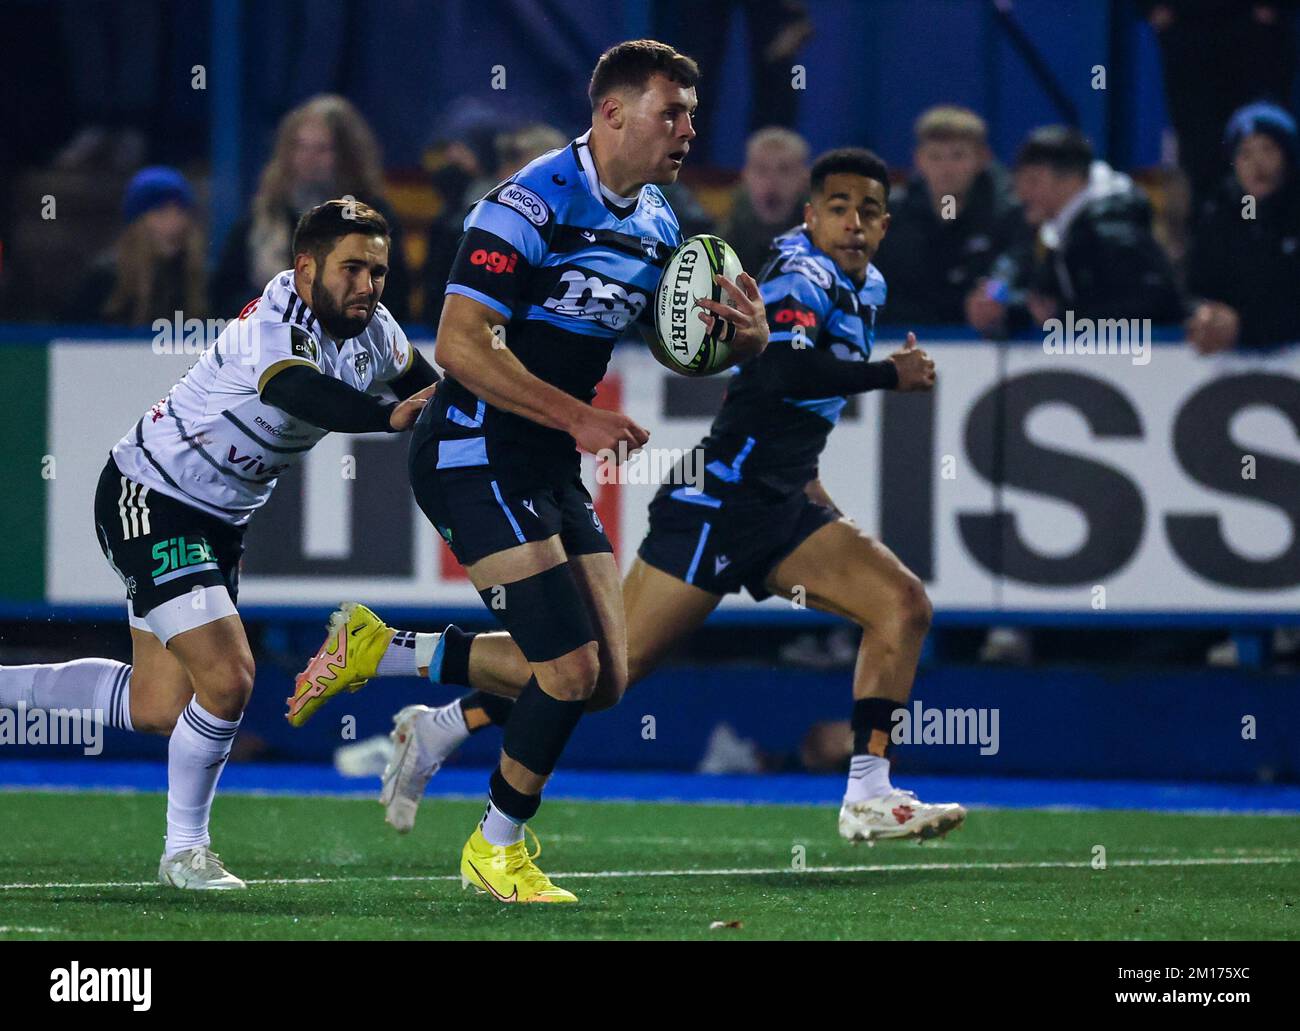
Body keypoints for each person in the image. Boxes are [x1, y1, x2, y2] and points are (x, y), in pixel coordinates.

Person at [294, 149, 966, 849]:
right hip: (720, 505)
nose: (854, 223)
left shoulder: (868, 286)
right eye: (838, 207)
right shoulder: (802, 272)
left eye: (869, 211)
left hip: (782, 502)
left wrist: (811, 482)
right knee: (601, 675)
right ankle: (415, 685)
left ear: (888, 224)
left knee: (902, 604)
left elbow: (793, 409)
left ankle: (867, 791)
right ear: (809, 215)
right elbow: (783, 372)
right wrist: (891, 373)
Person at [285, 40, 769, 905]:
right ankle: (494, 847)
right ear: (613, 113)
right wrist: (580, 415)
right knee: (569, 670)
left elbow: (684, 333)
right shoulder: (525, 204)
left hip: (542, 456)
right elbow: (460, 345)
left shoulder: (660, 221)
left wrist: (744, 340)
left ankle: (394, 661)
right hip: (472, 449)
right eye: (674, 110)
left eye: (693, 112)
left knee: (608, 679)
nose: (690, 128)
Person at [0, 200, 439, 889]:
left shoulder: (375, 329)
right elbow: (300, 391)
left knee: (160, 708)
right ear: (304, 268)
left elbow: (430, 389)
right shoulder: (275, 324)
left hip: (219, 520)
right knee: (230, 677)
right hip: (152, 494)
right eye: (352, 267)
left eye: (379, 270)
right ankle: (184, 852)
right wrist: (389, 415)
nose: (369, 284)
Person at [966, 125, 1183, 336]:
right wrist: (1004, 310)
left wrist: (1063, 318)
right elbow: (1050, 303)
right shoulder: (1065, 233)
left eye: (1033, 181)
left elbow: (1151, 304)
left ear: (1071, 180)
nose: (1021, 194)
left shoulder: (1110, 233)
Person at [212, 95, 411, 320]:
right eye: (301, 147)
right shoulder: (263, 216)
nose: (309, 158)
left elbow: (394, 296)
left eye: (322, 149)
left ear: (347, 156)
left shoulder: (372, 218)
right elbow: (225, 296)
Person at [873, 106, 1028, 327]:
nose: (946, 168)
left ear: (982, 158)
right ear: (918, 160)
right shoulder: (890, 217)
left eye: (958, 156)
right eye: (935, 157)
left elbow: (1015, 268)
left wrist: (997, 295)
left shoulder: (1008, 214)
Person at [1186, 101, 1300, 353]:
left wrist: (1244, 327)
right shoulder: (1219, 217)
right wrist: (1205, 315)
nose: (1257, 164)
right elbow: (1195, 288)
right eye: (1245, 153)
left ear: (1288, 155)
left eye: (1268, 150)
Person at [67, 166, 208, 325]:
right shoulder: (104, 278)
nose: (175, 224)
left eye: (180, 212)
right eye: (162, 213)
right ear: (137, 222)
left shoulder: (195, 278)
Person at [721, 126, 810, 276]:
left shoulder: (823, 240)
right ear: (745, 175)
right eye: (761, 169)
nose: (771, 181)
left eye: (784, 169)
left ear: (803, 178)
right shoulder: (724, 243)